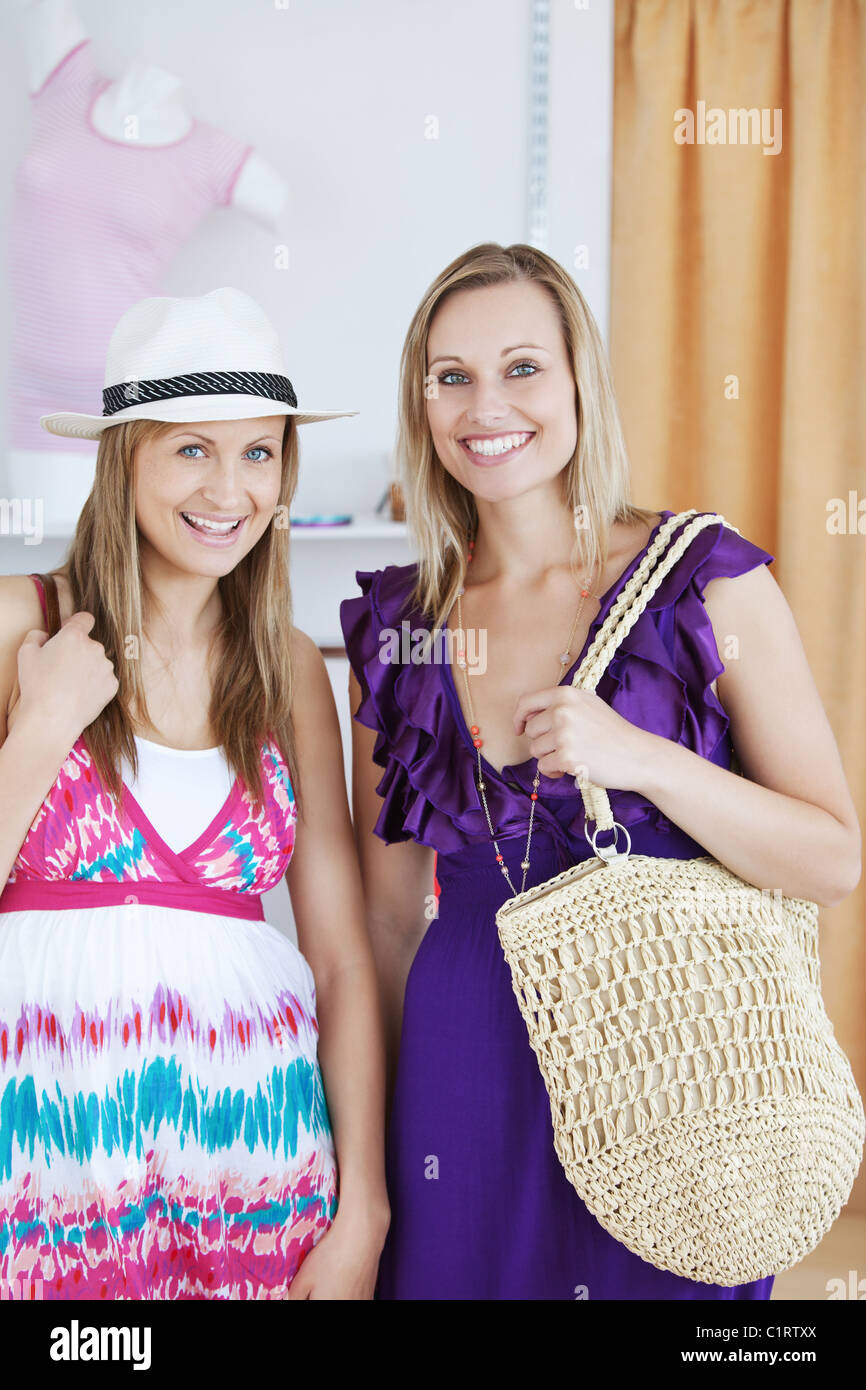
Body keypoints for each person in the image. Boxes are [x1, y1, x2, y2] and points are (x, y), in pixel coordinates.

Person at [339, 242, 861, 1300]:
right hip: (460, 1072)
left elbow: (830, 858)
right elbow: (388, 923)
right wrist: (370, 1178)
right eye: (452, 377)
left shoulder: (700, 578)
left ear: (580, 378)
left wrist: (642, 760)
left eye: (522, 366)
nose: (486, 404)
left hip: (667, 1067)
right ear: (422, 402)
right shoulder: (401, 625)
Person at [0, 287, 390, 1299]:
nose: (230, 489)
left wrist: (364, 1211)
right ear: (121, 454)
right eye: (191, 449)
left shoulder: (292, 668)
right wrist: (41, 727)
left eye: (259, 452)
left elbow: (342, 961)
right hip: (41, 1183)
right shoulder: (19, 624)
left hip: (255, 1180)